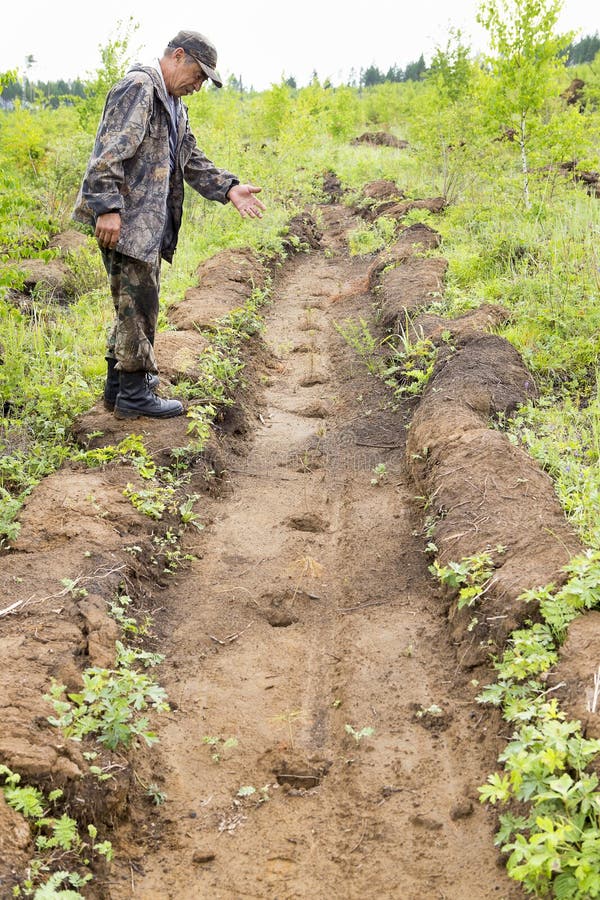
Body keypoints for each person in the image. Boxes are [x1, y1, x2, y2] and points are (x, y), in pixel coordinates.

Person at [73, 30, 265, 419]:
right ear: (179, 56)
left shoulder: (173, 103)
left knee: (133, 305)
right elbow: (108, 151)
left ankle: (117, 389)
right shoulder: (139, 87)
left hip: (145, 223)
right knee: (140, 304)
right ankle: (134, 393)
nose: (198, 86)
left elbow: (190, 157)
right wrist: (108, 207)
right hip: (125, 220)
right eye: (198, 75)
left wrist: (229, 188)